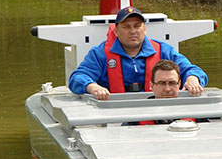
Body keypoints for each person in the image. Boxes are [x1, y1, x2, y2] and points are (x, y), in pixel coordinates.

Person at [69, 6, 207, 101]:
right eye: (126, 27)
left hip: (157, 110)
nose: (133, 31)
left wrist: (192, 79)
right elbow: (77, 78)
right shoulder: (99, 54)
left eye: (137, 26)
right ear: (116, 31)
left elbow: (192, 70)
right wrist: (93, 87)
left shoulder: (164, 50)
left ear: (145, 29)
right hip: (115, 112)